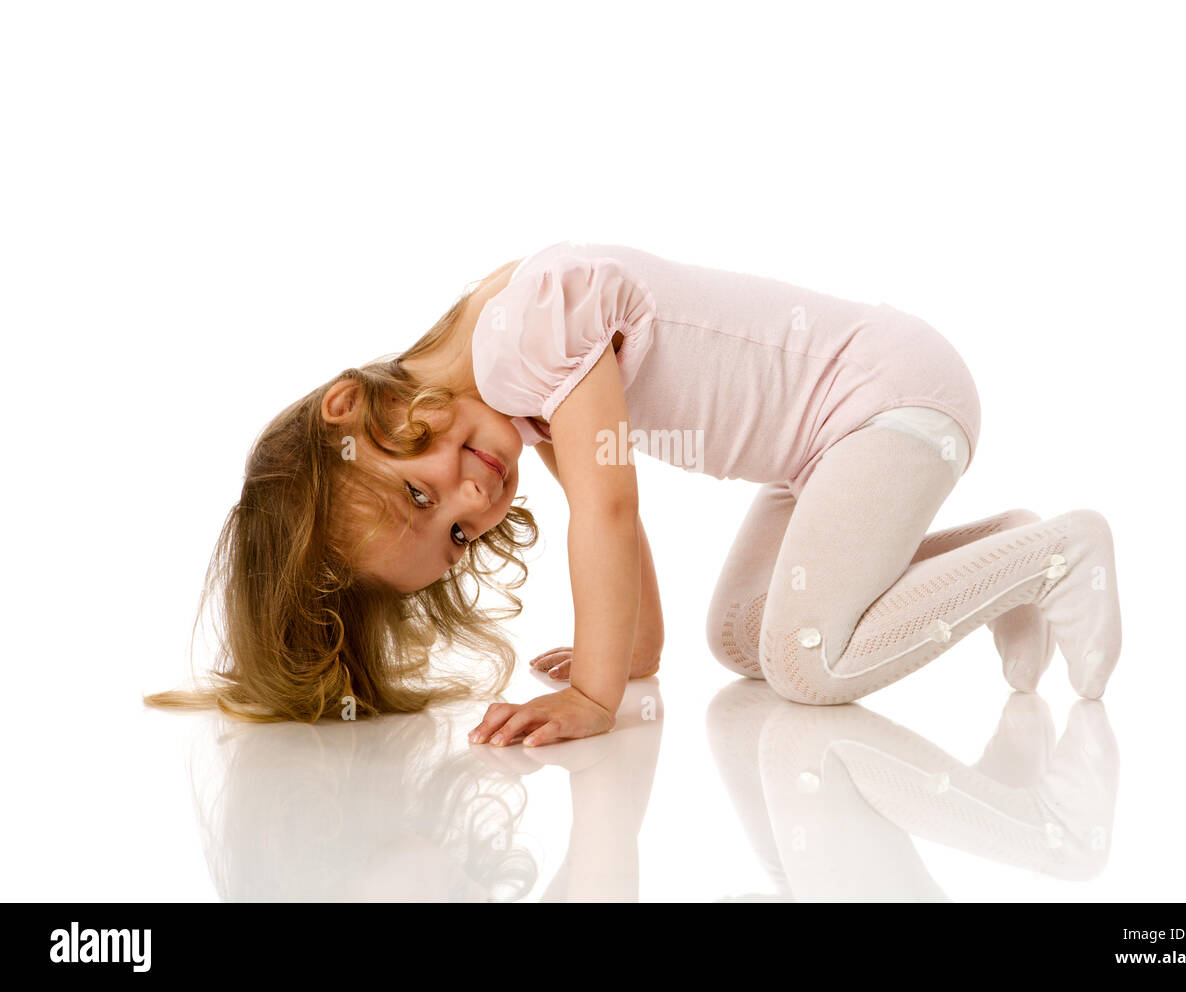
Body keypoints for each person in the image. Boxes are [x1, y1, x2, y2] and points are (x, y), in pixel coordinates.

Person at [146, 241, 1122, 747]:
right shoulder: (516, 386)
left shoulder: (530, 330)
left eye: (414, 487)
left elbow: (607, 506)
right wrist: (636, 650)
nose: (465, 502)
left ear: (350, 407)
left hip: (885, 396)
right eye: (449, 533)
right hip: (829, 446)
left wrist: (593, 692)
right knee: (741, 636)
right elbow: (602, 497)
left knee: (806, 660)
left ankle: (1061, 551)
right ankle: (1009, 556)